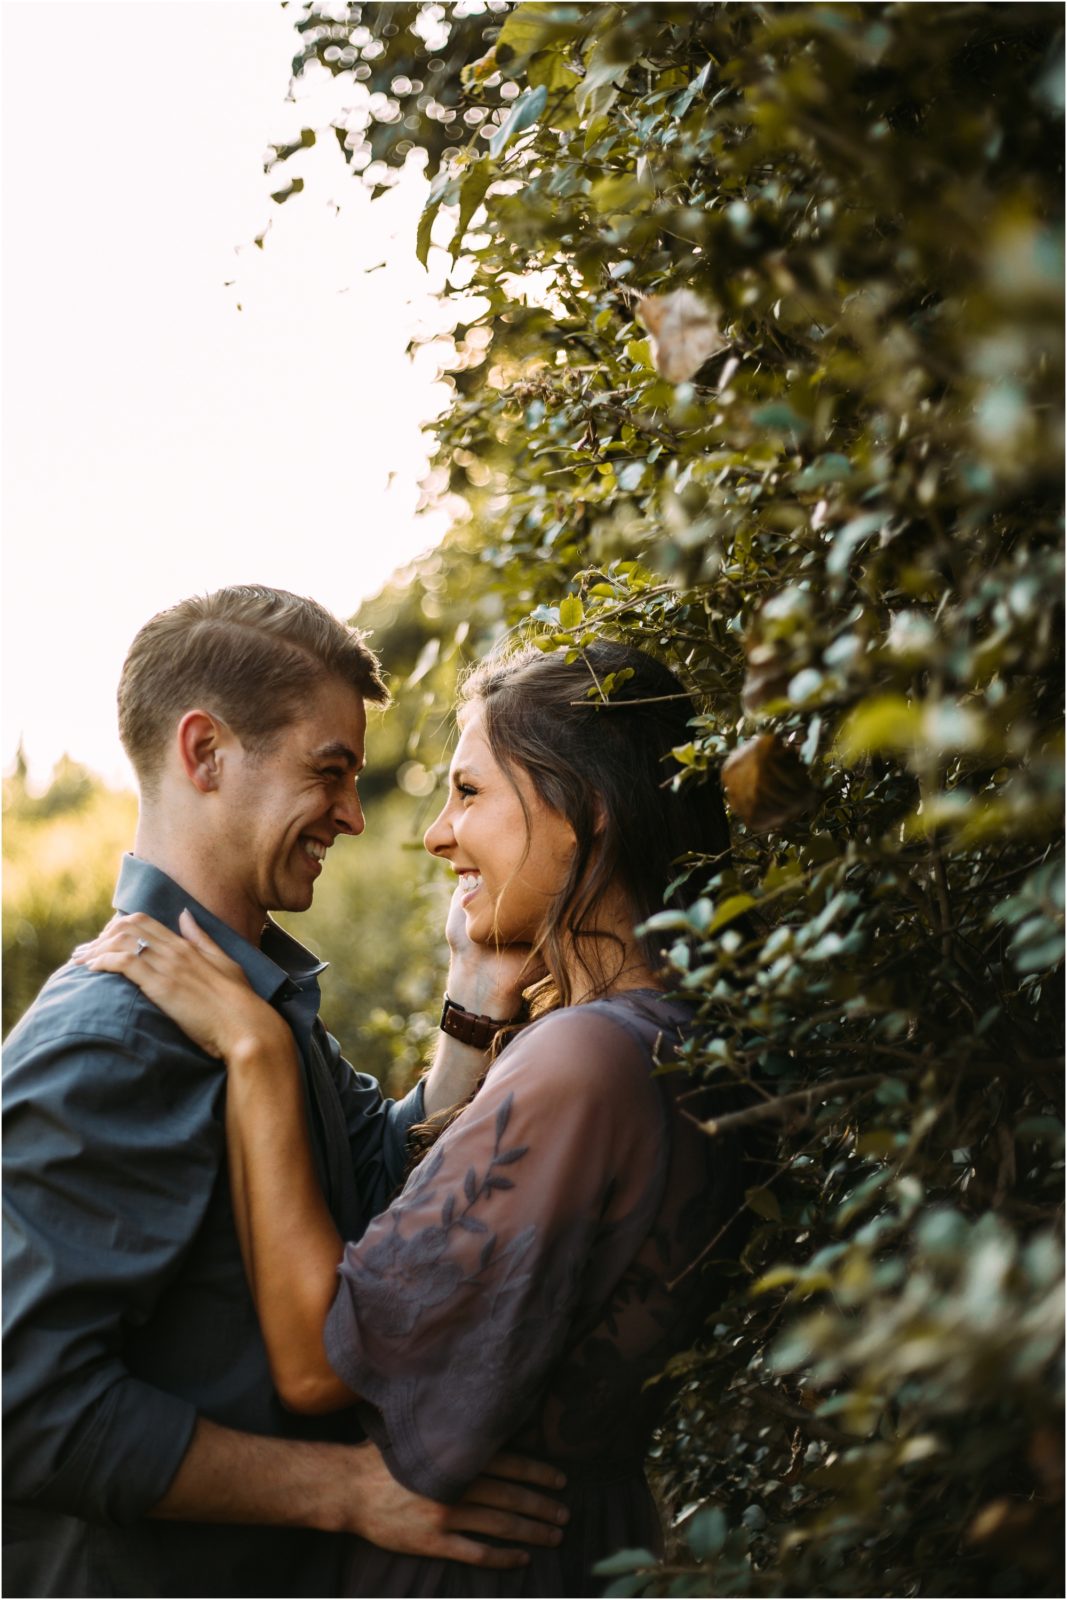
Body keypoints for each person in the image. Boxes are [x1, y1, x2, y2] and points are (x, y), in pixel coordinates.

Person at [77, 639, 753, 1597]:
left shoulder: (582, 1061)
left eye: (469, 793)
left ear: (587, 809)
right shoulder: (672, 1037)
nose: (436, 833)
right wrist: (475, 1002)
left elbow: (319, 1367)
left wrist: (259, 1058)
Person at [2, 586, 568, 1600]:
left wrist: (475, 997)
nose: (354, 814)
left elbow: (379, 1188)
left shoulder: (258, 1009)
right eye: (329, 771)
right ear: (204, 753)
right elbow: (23, 1407)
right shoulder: (113, 1045)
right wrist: (344, 1488)